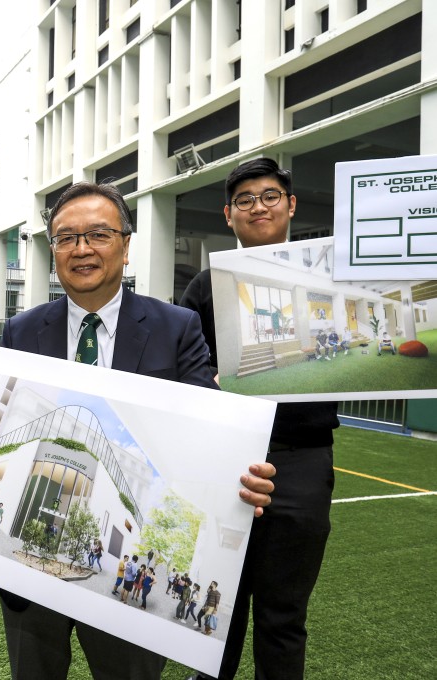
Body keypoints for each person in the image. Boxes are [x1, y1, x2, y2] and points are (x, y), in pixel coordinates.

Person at [0, 181, 275, 680]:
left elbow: (211, 429)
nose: (82, 249)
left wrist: (242, 476)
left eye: (97, 234)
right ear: (53, 252)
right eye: (67, 238)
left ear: (126, 244)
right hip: (26, 582)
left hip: (122, 603)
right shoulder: (22, 330)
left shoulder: (177, 327)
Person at [180, 158, 339, 680]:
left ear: (290, 205)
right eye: (245, 200)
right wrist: (212, 385)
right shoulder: (206, 286)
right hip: (230, 458)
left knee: (284, 616)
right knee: (215, 613)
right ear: (229, 215)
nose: (259, 206)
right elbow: (189, 367)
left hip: (303, 461)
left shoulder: (330, 275)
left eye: (270, 196)